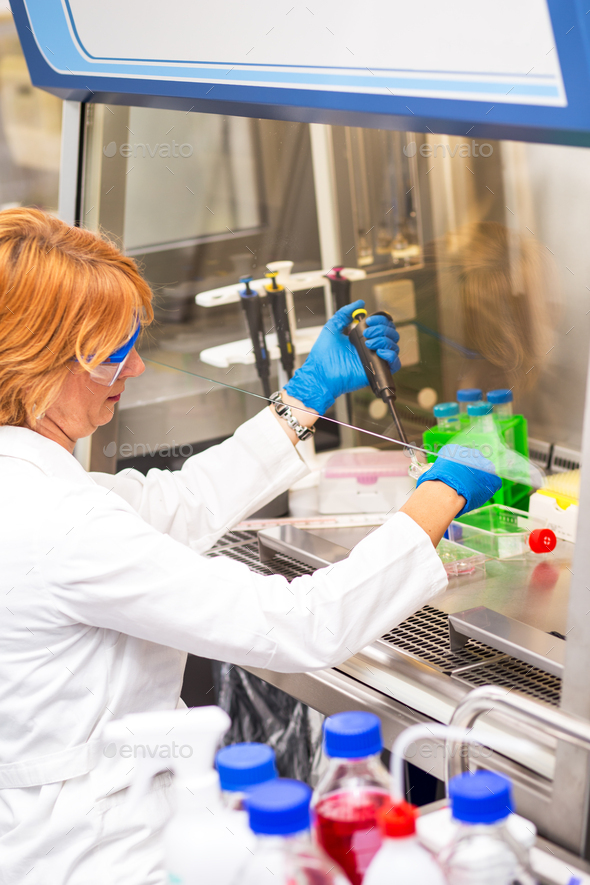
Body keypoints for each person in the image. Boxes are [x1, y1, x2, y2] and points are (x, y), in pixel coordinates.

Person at [0, 209, 500, 884]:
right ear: (36, 366)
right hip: (96, 851)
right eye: (114, 351)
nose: (137, 365)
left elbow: (180, 504)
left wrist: (307, 395)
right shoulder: (55, 519)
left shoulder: (29, 480)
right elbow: (300, 624)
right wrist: (442, 492)